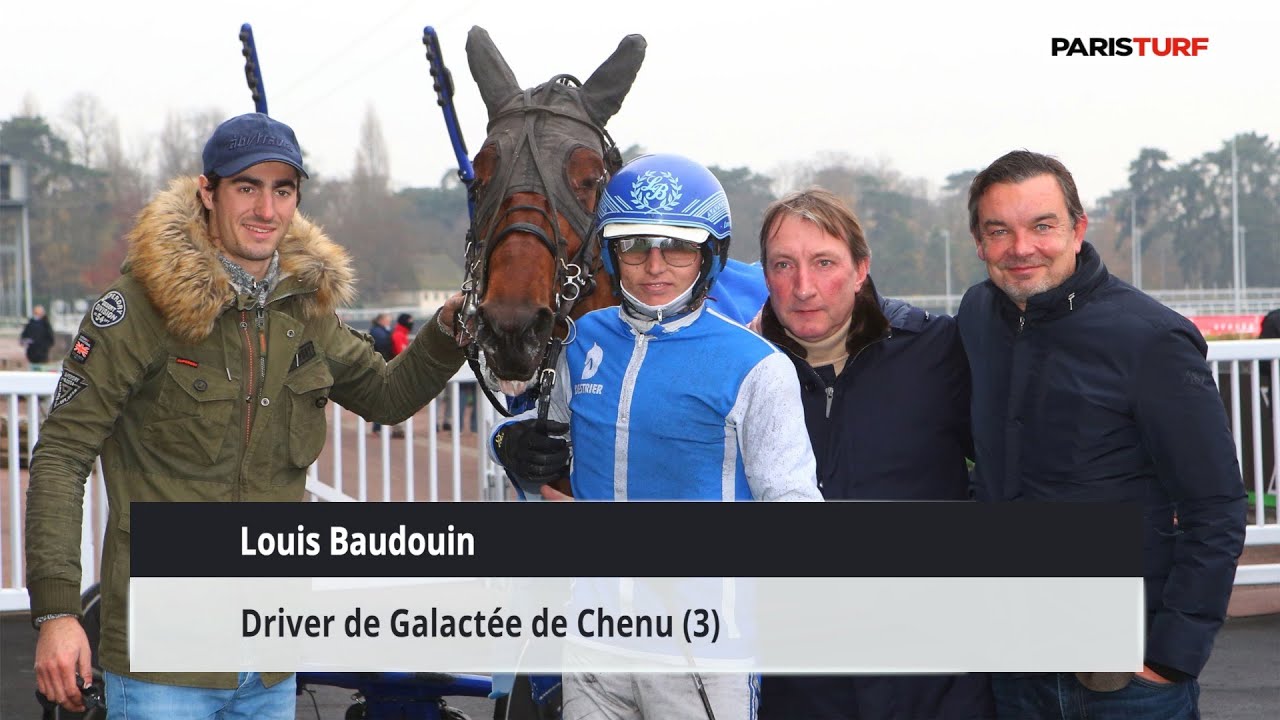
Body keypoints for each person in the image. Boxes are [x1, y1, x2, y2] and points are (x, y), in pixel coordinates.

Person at [25, 112, 468, 719]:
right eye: (247, 187)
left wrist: (451, 327)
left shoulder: (304, 311)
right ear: (207, 193)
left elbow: (387, 397)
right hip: (166, 662)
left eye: (282, 190)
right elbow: (61, 456)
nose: (266, 209)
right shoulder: (137, 310)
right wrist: (56, 613)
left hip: (268, 656)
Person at [490, 153, 821, 720]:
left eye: (678, 247)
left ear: (710, 254)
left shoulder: (757, 366)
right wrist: (513, 447)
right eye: (635, 245)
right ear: (610, 253)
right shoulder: (583, 337)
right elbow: (550, 445)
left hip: (702, 652)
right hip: (592, 640)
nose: (654, 265)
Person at [957, 150, 1247, 719]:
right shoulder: (977, 316)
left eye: (1043, 226)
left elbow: (1216, 506)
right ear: (978, 241)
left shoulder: (1152, 339)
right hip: (1014, 655)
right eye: (1000, 231)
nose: (1022, 248)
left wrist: (1171, 657)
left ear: (1078, 228)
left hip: (1126, 675)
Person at [753, 188, 993, 719]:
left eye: (824, 263)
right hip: (795, 680)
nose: (804, 287)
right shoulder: (740, 371)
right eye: (783, 265)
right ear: (765, 274)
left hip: (935, 676)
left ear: (861, 268)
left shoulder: (939, 351)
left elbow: (1016, 465)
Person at [370, 313, 394, 433]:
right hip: (380, 366)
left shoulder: (378, 330)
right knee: (381, 397)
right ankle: (378, 426)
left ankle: (379, 426)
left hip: (382, 364)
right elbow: (384, 344)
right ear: (381, 320)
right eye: (387, 320)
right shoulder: (378, 332)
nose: (389, 322)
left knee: (381, 397)